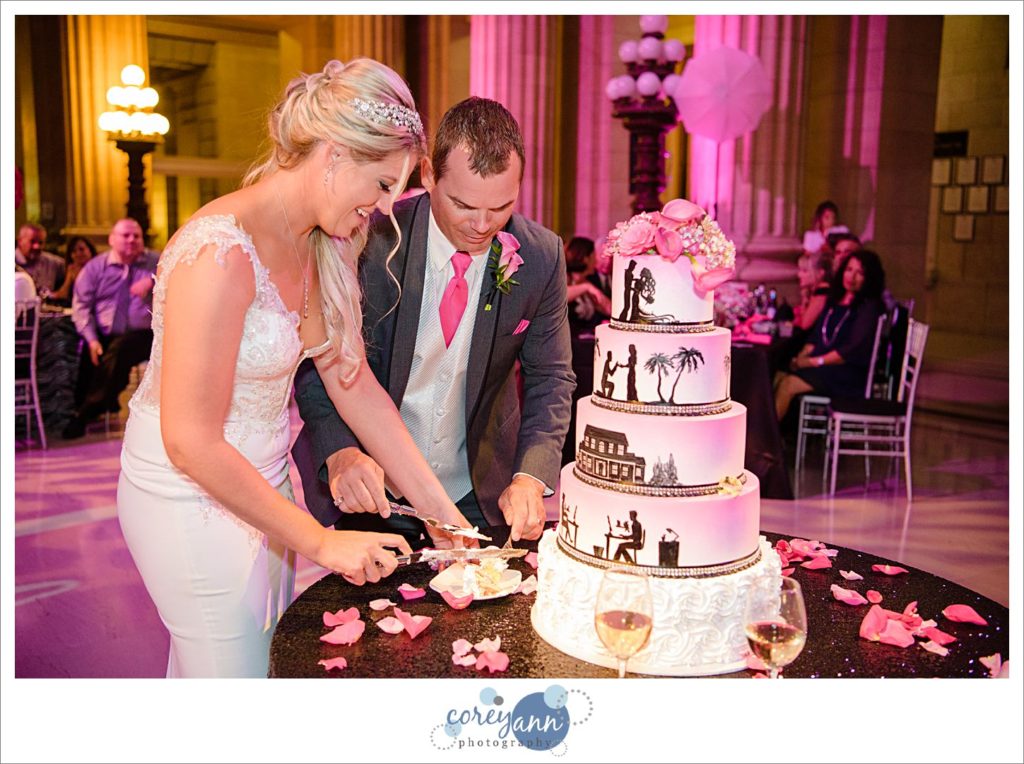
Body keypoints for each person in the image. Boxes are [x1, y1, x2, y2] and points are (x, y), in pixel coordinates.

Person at [116, 59, 471, 678]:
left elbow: (355, 387)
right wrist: (321, 540)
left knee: (250, 665)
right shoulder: (220, 254)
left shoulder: (322, 244)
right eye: (383, 184)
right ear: (333, 155)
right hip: (187, 496)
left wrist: (446, 520)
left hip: (266, 485)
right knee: (236, 675)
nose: (385, 208)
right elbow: (190, 441)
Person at [292, 96, 575, 548]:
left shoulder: (540, 256)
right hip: (377, 493)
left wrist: (529, 476)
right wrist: (341, 450)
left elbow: (551, 378)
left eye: (501, 206)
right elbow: (318, 362)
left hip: (477, 493)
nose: (482, 225)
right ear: (427, 174)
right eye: (463, 204)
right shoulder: (368, 237)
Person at [62, 219, 158, 438]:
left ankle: (85, 413)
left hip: (145, 334)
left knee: (121, 348)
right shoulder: (95, 267)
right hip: (106, 333)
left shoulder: (156, 262)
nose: (132, 240)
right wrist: (91, 339)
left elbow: (179, 277)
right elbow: (81, 307)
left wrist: (153, 280)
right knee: (91, 355)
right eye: (126, 235)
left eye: (137, 236)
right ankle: (90, 406)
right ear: (112, 239)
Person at [774, 249, 886, 420]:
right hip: (823, 366)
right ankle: (776, 434)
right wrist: (801, 357)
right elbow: (817, 335)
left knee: (788, 384)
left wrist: (811, 362)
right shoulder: (835, 300)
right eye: (849, 270)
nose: (851, 277)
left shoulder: (868, 308)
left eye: (859, 273)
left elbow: (850, 351)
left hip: (845, 372)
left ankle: (767, 441)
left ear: (868, 278)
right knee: (777, 375)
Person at [15, 222, 65, 295]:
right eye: (32, 242)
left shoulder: (53, 263)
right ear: (20, 241)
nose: (37, 246)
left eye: (40, 243)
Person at [50, 235, 98, 306]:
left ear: (90, 250)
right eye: (74, 251)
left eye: (81, 249)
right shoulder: (72, 269)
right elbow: (63, 294)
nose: (78, 254)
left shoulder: (100, 268)